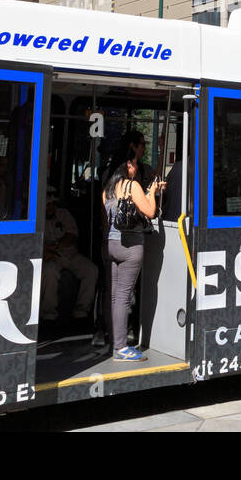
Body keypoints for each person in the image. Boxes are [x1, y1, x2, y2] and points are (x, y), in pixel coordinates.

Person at [102, 153, 163, 361]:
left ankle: (114, 342)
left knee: (113, 296)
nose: (136, 168)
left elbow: (108, 219)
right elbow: (150, 212)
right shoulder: (132, 186)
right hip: (130, 246)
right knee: (123, 297)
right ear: (127, 164)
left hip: (111, 244)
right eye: (135, 163)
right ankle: (121, 348)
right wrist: (152, 192)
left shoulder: (108, 189)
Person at [41, 188, 98, 325]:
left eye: (53, 204)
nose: (50, 208)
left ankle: (81, 313)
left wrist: (57, 246)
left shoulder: (63, 214)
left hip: (69, 254)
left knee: (91, 270)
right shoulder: (37, 217)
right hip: (50, 258)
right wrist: (46, 250)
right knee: (49, 271)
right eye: (47, 205)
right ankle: (48, 316)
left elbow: (72, 234)